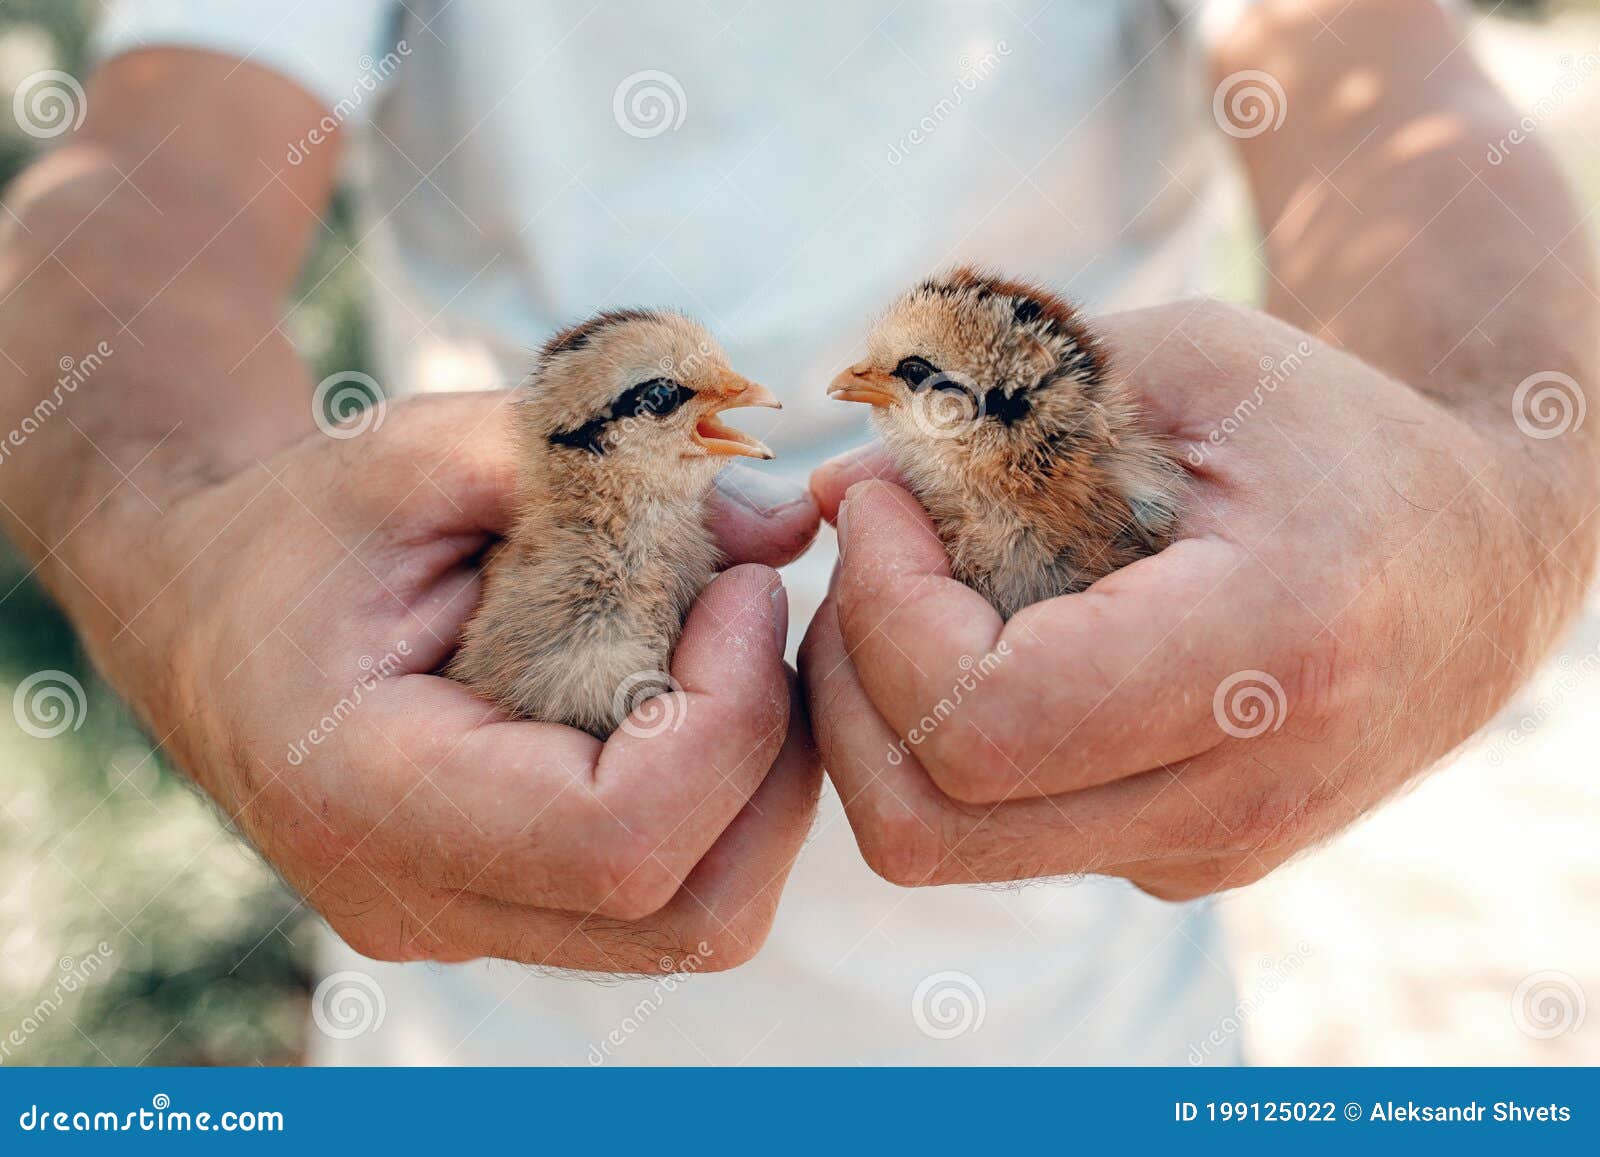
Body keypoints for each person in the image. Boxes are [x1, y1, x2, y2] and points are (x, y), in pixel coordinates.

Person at [0, 0, 1592, 1064]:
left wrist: (1488, 506)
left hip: (1079, 1048)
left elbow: (1396, 102)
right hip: (490, 1053)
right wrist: (188, 571)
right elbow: (139, 191)